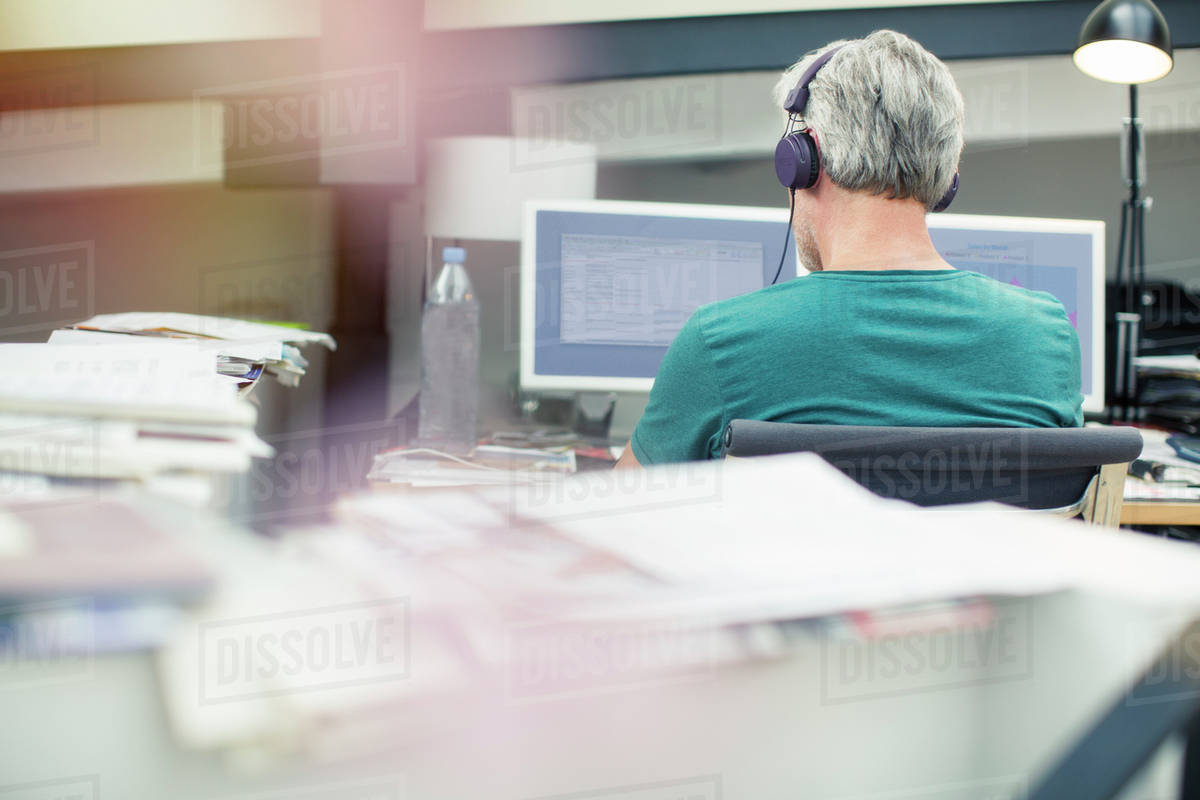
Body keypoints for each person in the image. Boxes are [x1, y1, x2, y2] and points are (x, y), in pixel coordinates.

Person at [616, 29, 1082, 468]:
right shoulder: (1045, 335)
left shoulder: (719, 342)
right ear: (946, 175)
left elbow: (626, 510)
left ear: (804, 159)